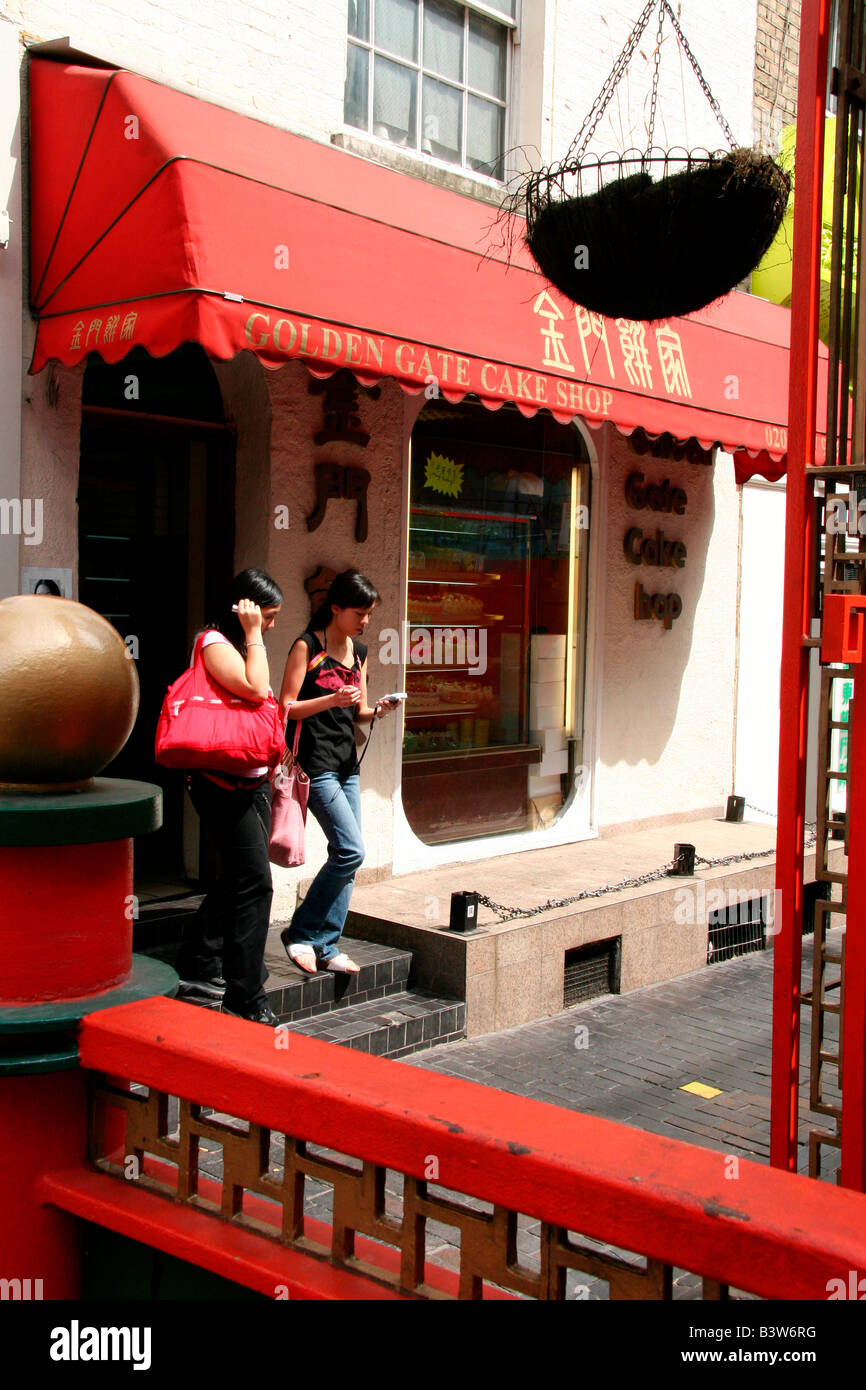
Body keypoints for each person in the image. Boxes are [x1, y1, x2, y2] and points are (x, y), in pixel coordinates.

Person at [175, 568, 284, 1025]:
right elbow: (256, 689)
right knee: (256, 882)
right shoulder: (214, 642)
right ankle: (246, 995)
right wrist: (255, 634)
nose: (271, 626)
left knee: (239, 877)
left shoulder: (242, 646)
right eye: (268, 616)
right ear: (245, 607)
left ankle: (200, 957)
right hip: (221, 786)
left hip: (252, 782)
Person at [278, 569, 399, 974]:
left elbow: (358, 712)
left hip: (347, 765)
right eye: (360, 613)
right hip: (315, 766)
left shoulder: (360, 653)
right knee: (351, 851)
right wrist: (330, 699)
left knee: (347, 857)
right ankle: (301, 932)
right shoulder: (307, 646)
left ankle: (327, 945)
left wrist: (377, 709)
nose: (365, 621)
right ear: (335, 609)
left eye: (369, 614)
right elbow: (285, 708)